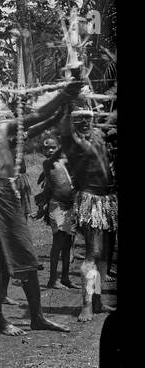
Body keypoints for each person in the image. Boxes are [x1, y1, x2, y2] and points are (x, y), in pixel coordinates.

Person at [0, 72, 82, 335]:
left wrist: (68, 92)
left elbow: (36, 116)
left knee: (25, 255)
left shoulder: (3, 127)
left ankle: (37, 317)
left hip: (8, 197)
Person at [61, 105, 116, 321]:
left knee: (103, 256)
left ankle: (98, 301)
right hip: (90, 199)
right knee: (92, 253)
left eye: (87, 117)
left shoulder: (98, 134)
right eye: (79, 119)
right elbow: (65, 128)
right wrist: (70, 97)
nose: (84, 122)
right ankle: (86, 306)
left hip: (107, 200)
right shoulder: (73, 141)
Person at [36, 134, 75, 290]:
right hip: (57, 205)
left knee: (68, 243)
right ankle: (53, 280)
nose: (50, 150)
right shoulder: (47, 163)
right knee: (58, 242)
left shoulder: (66, 161)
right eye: (46, 147)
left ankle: (65, 277)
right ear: (42, 150)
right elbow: (49, 187)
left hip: (70, 205)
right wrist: (42, 207)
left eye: (53, 147)